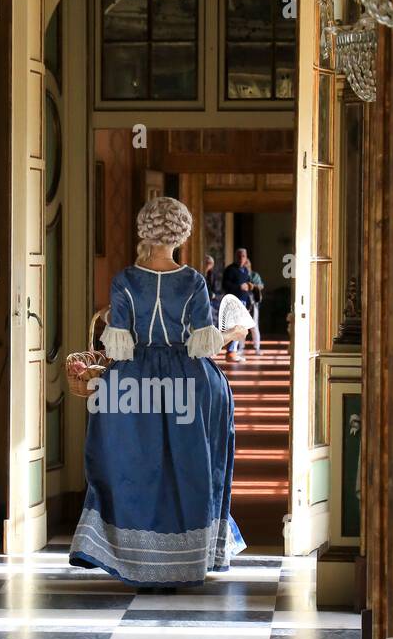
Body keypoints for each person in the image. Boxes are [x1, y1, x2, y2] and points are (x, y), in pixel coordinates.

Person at [70, 197, 248, 588]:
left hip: (134, 382)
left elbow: (118, 347)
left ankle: (133, 556)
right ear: (183, 233)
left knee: (130, 464)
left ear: (144, 231)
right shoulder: (193, 282)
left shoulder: (125, 280)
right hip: (189, 380)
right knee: (191, 466)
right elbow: (203, 345)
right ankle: (188, 558)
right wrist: (236, 333)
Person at [222, 248, 254, 358]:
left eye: (243, 256)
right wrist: (238, 287)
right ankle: (230, 352)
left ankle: (234, 350)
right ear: (235, 257)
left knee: (242, 327)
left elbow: (248, 287)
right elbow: (225, 285)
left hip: (243, 302)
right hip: (233, 302)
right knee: (234, 327)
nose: (241, 258)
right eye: (239, 256)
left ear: (246, 258)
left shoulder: (245, 271)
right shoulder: (230, 270)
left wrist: (249, 302)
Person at [245, 258, 264, 354]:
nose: (245, 267)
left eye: (247, 265)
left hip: (253, 303)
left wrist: (253, 286)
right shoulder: (241, 275)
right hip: (243, 302)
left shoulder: (254, 275)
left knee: (254, 325)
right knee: (241, 326)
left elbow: (261, 286)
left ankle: (257, 347)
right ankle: (240, 348)